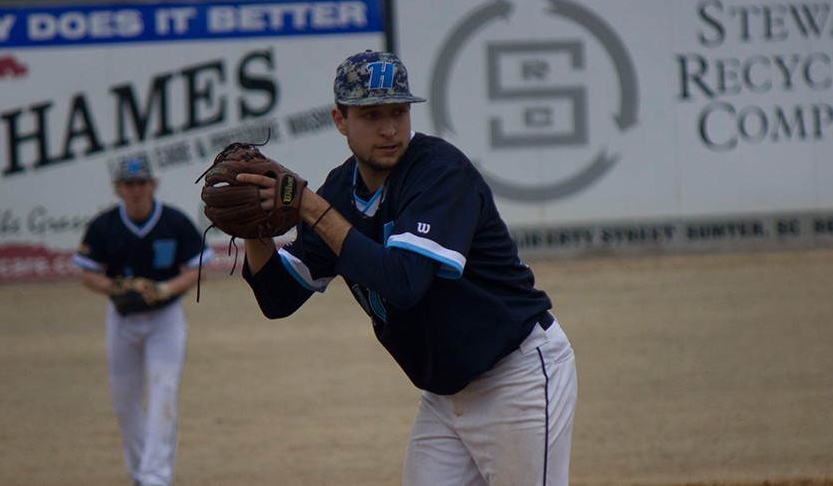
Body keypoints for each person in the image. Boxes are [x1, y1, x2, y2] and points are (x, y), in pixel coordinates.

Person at [237, 50, 578, 485]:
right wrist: (253, 230)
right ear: (340, 120)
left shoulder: (440, 172)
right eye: (371, 114)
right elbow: (278, 298)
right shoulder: (339, 192)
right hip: (443, 393)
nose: (390, 128)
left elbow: (404, 283)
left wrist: (309, 207)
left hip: (516, 377)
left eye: (399, 111)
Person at [73, 155, 211, 486]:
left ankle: (155, 477)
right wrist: (116, 287)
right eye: (129, 184)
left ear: (152, 185)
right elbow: (87, 273)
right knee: (124, 399)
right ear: (118, 189)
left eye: (141, 182)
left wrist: (164, 289)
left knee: (164, 391)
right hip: (122, 320)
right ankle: (138, 472)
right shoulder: (105, 225)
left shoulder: (173, 222)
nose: (135, 189)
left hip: (165, 319)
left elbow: (197, 268)